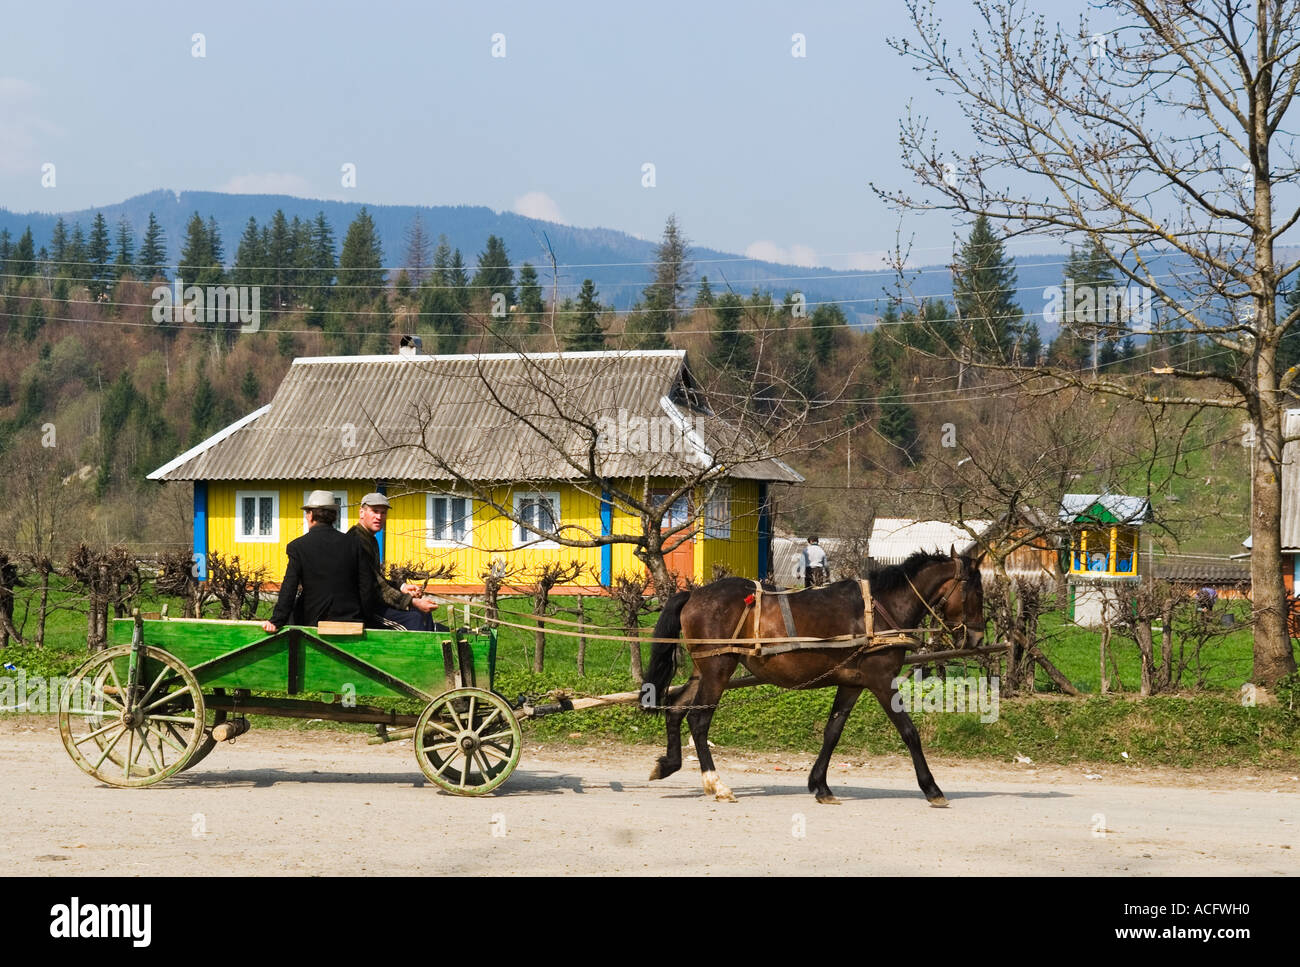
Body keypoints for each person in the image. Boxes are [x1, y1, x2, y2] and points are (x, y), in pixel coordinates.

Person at [262, 491, 368, 632]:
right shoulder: (354, 543)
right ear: (334, 516)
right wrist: (365, 618)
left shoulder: (298, 546)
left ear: (310, 515)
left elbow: (290, 586)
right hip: (350, 619)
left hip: (312, 621)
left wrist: (277, 620)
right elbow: (366, 586)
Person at [350, 492, 439, 630]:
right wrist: (411, 601)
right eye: (374, 511)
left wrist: (403, 587)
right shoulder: (356, 540)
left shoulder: (370, 539)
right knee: (413, 620)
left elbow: (378, 579)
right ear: (361, 512)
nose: (379, 517)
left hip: (375, 601)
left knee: (423, 614)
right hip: (362, 608)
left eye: (383, 513)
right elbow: (375, 586)